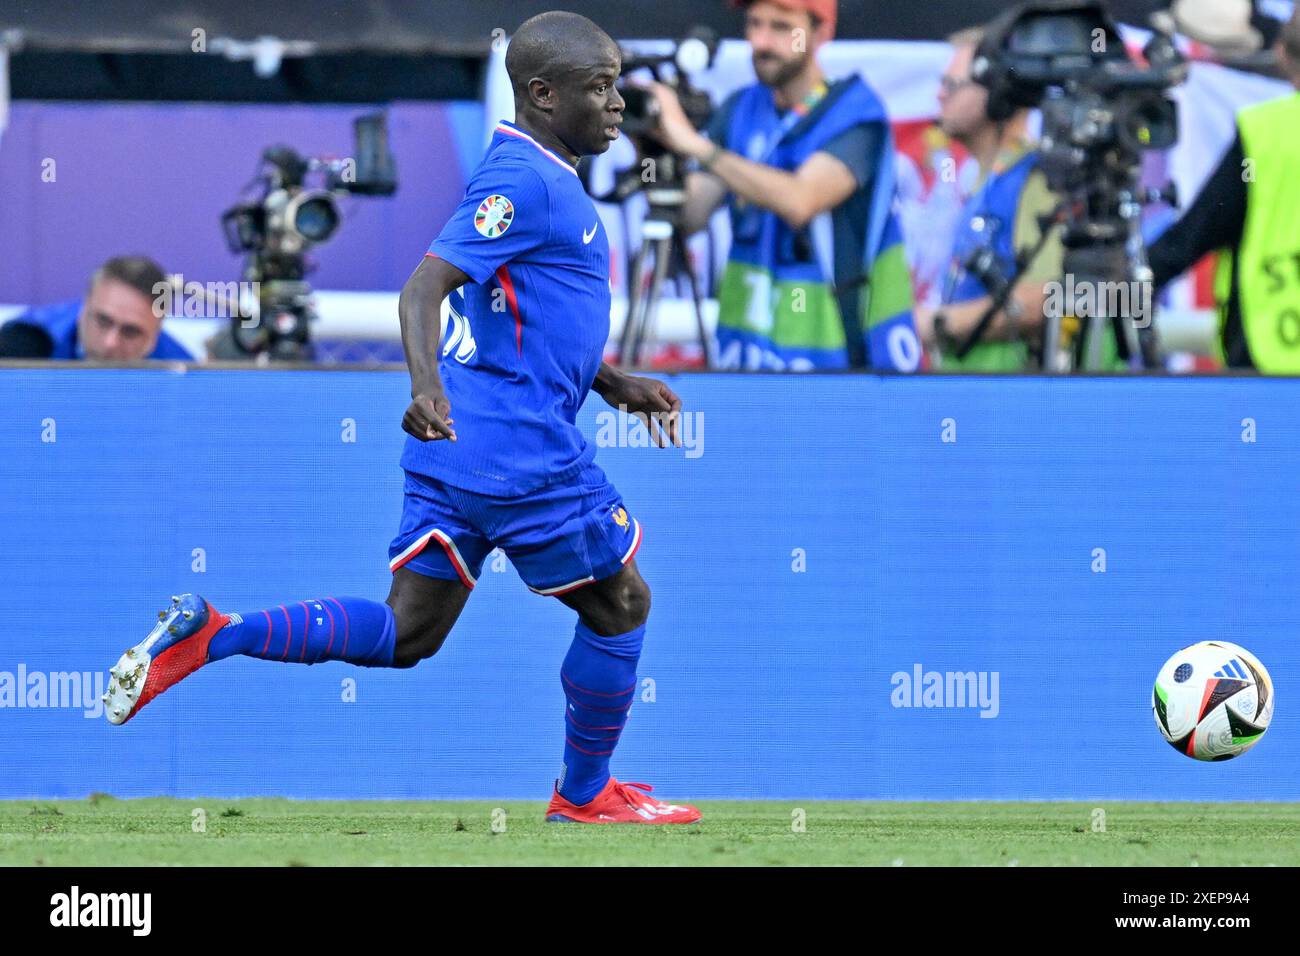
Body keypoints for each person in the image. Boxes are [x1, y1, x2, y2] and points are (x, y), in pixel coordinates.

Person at [101, 11, 701, 826]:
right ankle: (585, 793)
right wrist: (425, 388)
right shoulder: (524, 180)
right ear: (541, 93)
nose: (617, 104)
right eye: (600, 87)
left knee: (408, 632)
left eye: (617, 85)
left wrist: (609, 380)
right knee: (623, 605)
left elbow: (519, 314)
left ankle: (218, 632)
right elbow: (423, 287)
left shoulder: (537, 175)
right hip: (518, 455)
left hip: (458, 456)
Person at [649, 0, 919, 371]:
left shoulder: (857, 112)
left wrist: (692, 143)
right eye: (753, 24)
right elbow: (692, 214)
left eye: (780, 27)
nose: (761, 41)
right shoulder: (740, 108)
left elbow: (800, 200)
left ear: (822, 32)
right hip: (746, 354)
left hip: (833, 354)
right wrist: (652, 151)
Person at [1148, 7, 1300, 372]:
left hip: (1270, 361)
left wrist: (1105, 295)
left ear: (1281, 54)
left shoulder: (1267, 131)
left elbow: (1190, 239)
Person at [914, 27, 1067, 371]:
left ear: (999, 94)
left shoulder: (1036, 179)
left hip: (1010, 406)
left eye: (952, 85)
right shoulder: (987, 178)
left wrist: (938, 324)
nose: (939, 96)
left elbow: (1051, 297)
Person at [0, 256, 193, 361]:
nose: (110, 343)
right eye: (102, 321)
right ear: (83, 310)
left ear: (154, 337)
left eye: (130, 332)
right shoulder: (22, 345)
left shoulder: (182, 375)